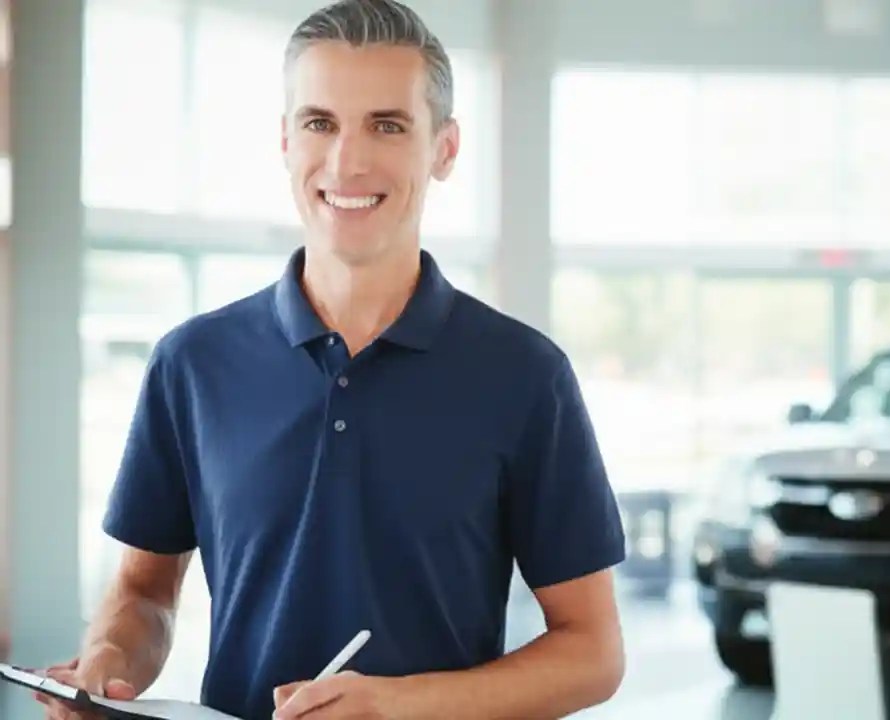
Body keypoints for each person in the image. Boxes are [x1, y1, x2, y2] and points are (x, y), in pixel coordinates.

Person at [38, 1, 628, 718]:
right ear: (286, 140)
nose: (347, 161)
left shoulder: (525, 376)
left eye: (387, 125)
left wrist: (397, 707)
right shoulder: (192, 364)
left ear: (444, 149)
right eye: (320, 123)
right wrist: (108, 658)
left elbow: (592, 650)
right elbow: (143, 594)